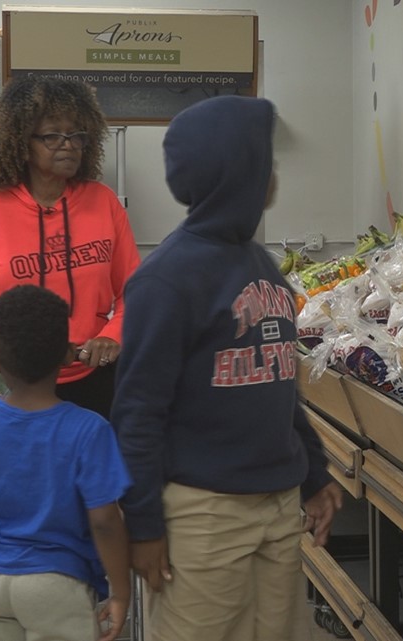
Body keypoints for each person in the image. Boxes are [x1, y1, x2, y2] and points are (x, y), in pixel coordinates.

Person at [112, 95, 342, 641]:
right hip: (203, 513)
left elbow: (280, 384)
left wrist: (313, 474)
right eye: (266, 159)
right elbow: (137, 415)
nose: (276, 173)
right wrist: (142, 526)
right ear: (237, 170)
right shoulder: (166, 279)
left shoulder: (259, 263)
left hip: (277, 504)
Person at [0, 75, 141, 419]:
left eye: (76, 134)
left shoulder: (104, 203)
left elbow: (135, 292)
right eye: (53, 134)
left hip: (94, 381)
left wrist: (113, 335)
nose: (68, 145)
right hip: (13, 385)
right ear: (21, 141)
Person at [0, 285, 132, 641]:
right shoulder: (90, 430)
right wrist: (120, 591)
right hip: (60, 585)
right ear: (68, 355)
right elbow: (104, 520)